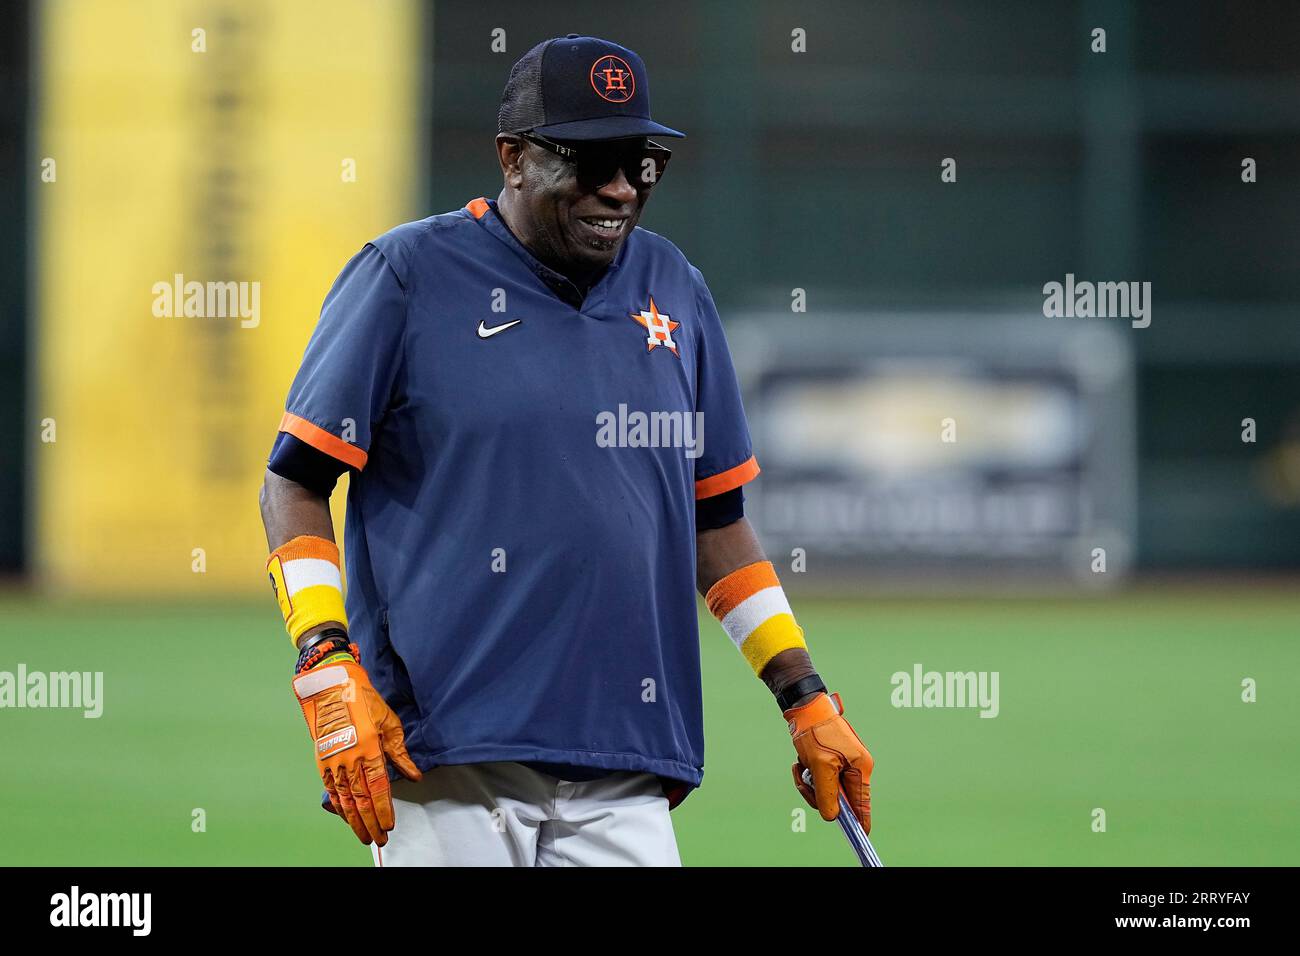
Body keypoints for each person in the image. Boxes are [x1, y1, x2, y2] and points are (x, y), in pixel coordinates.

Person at [259, 34, 873, 866]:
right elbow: (295, 480)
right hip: (449, 757)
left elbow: (716, 521)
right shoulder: (408, 275)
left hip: (628, 756)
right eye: (588, 161)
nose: (619, 188)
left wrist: (803, 695)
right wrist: (326, 664)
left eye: (639, 162)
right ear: (513, 158)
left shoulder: (673, 287)